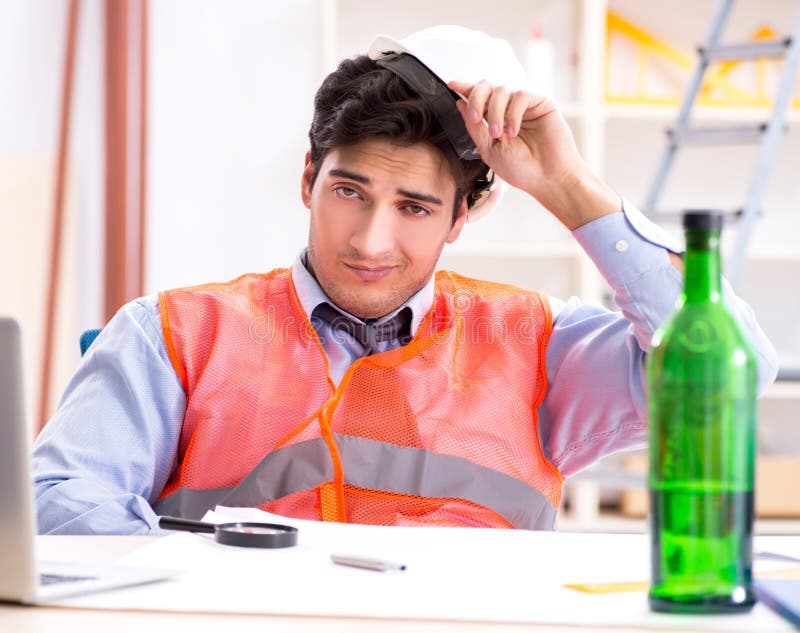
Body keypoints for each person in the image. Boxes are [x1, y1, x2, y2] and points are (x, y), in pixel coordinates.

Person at [33, 25, 777, 534]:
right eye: (349, 192)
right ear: (307, 178)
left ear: (462, 217)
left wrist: (568, 185)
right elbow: (51, 501)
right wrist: (211, 565)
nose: (370, 240)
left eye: (415, 207)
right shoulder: (170, 334)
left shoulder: (540, 343)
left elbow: (728, 372)